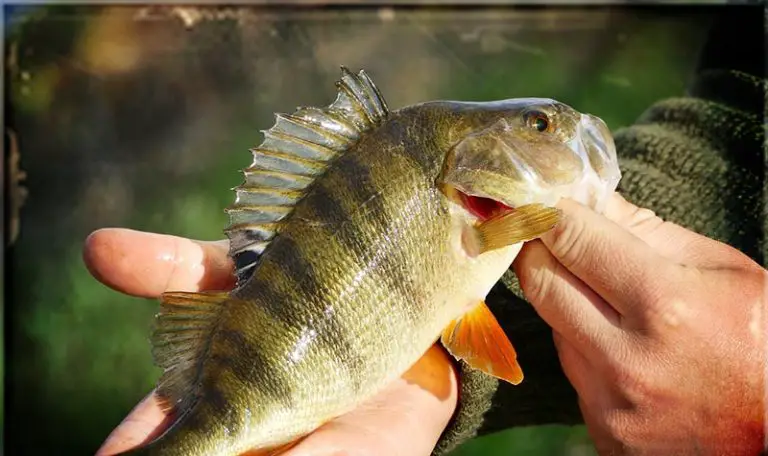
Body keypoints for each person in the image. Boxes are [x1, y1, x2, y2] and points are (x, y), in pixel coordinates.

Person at [90, 8, 766, 456]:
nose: (560, 129)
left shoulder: (482, 204)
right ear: (474, 168)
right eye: (538, 126)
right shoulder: (483, 206)